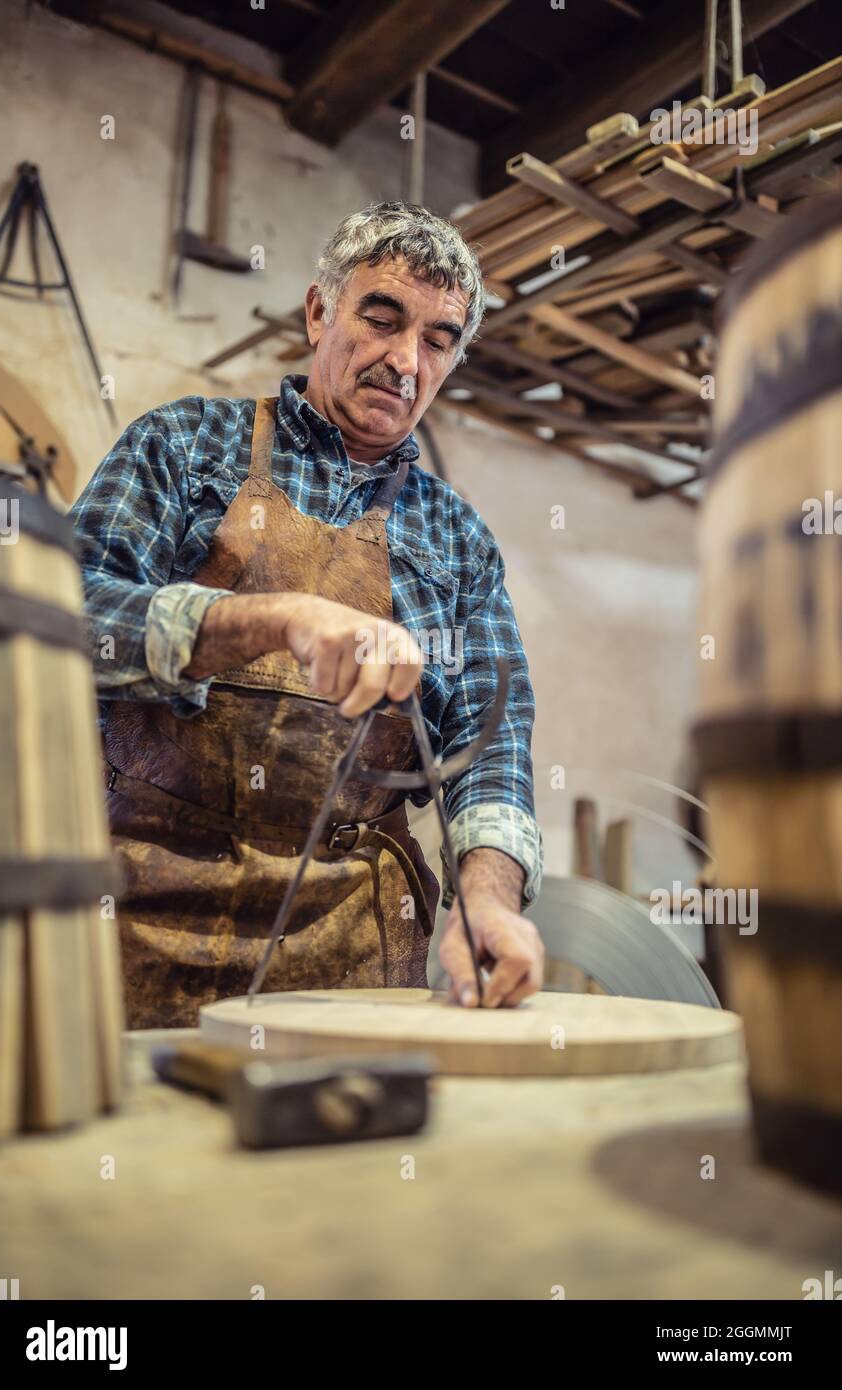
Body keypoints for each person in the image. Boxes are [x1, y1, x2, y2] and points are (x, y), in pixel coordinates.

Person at [70, 201, 544, 1027]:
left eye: (437, 340)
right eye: (382, 317)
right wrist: (274, 617)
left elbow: (491, 748)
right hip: (137, 915)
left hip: (351, 948)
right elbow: (68, 621)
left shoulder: (461, 541)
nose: (405, 360)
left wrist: (489, 903)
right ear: (320, 311)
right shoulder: (182, 446)